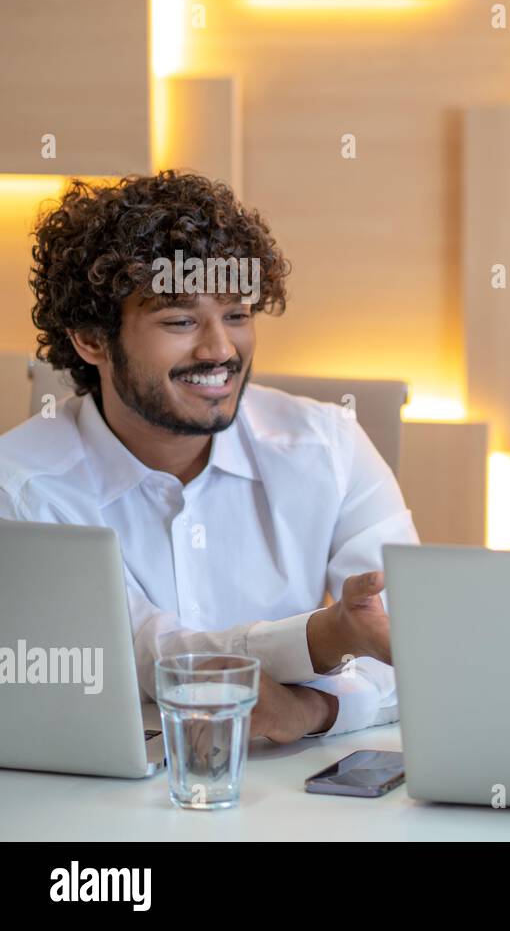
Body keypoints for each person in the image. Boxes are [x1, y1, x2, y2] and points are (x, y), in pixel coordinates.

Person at [0, 171, 417, 743]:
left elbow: (412, 652)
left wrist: (313, 712)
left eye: (238, 314)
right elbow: (146, 656)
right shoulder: (21, 486)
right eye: (180, 320)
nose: (220, 349)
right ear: (92, 339)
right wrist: (326, 637)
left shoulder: (329, 445)